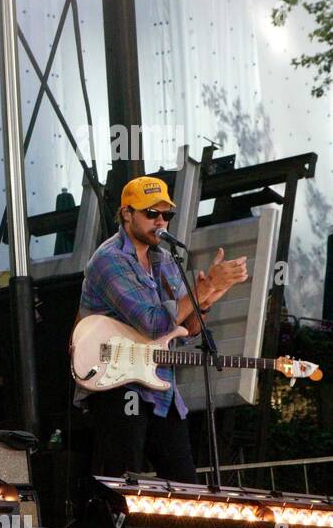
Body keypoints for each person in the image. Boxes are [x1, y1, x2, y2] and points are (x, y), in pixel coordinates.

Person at [77, 176, 248, 481]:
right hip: (117, 383)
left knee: (187, 487)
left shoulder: (166, 260)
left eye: (166, 215)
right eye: (151, 214)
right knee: (123, 484)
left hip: (159, 385)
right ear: (127, 213)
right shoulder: (108, 260)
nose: (160, 222)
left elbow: (190, 327)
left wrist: (209, 297)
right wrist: (205, 286)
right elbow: (153, 323)